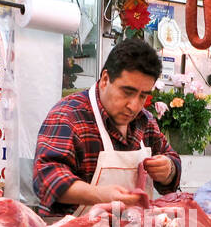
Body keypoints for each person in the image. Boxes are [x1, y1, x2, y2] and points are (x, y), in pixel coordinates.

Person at [33, 38, 181, 216]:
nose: (134, 106)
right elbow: (47, 179)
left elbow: (171, 158)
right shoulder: (68, 116)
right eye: (127, 92)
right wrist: (99, 195)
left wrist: (168, 169)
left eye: (143, 96)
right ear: (105, 79)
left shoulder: (145, 121)